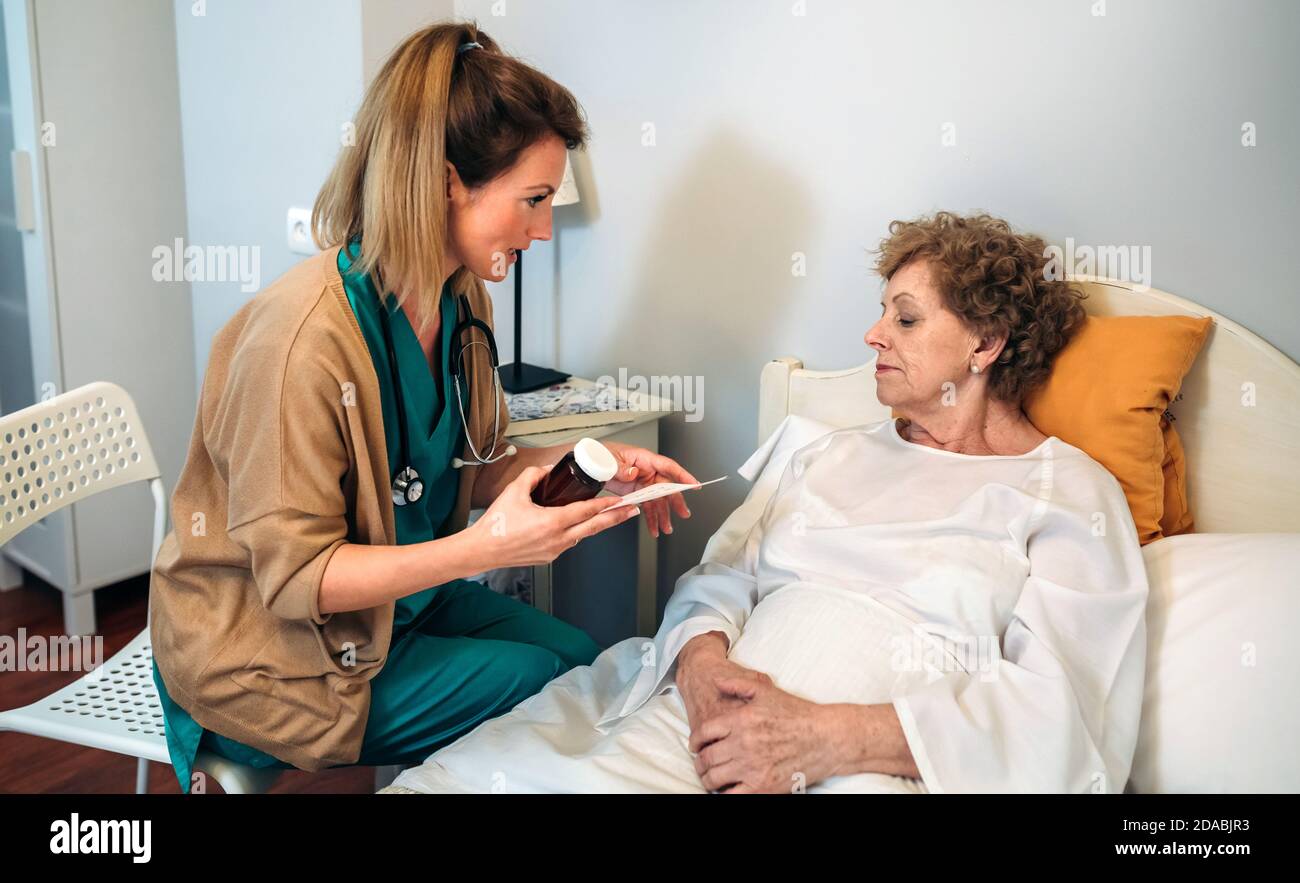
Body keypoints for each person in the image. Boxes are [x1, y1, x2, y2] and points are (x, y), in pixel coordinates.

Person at [148, 22, 695, 794]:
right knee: (540, 685)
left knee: (583, 663)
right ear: (446, 182)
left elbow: (465, 465)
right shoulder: (299, 343)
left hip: (397, 609)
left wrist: (587, 467)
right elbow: (297, 579)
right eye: (532, 200)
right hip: (273, 651)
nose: (543, 229)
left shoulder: (462, 298)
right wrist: (488, 550)